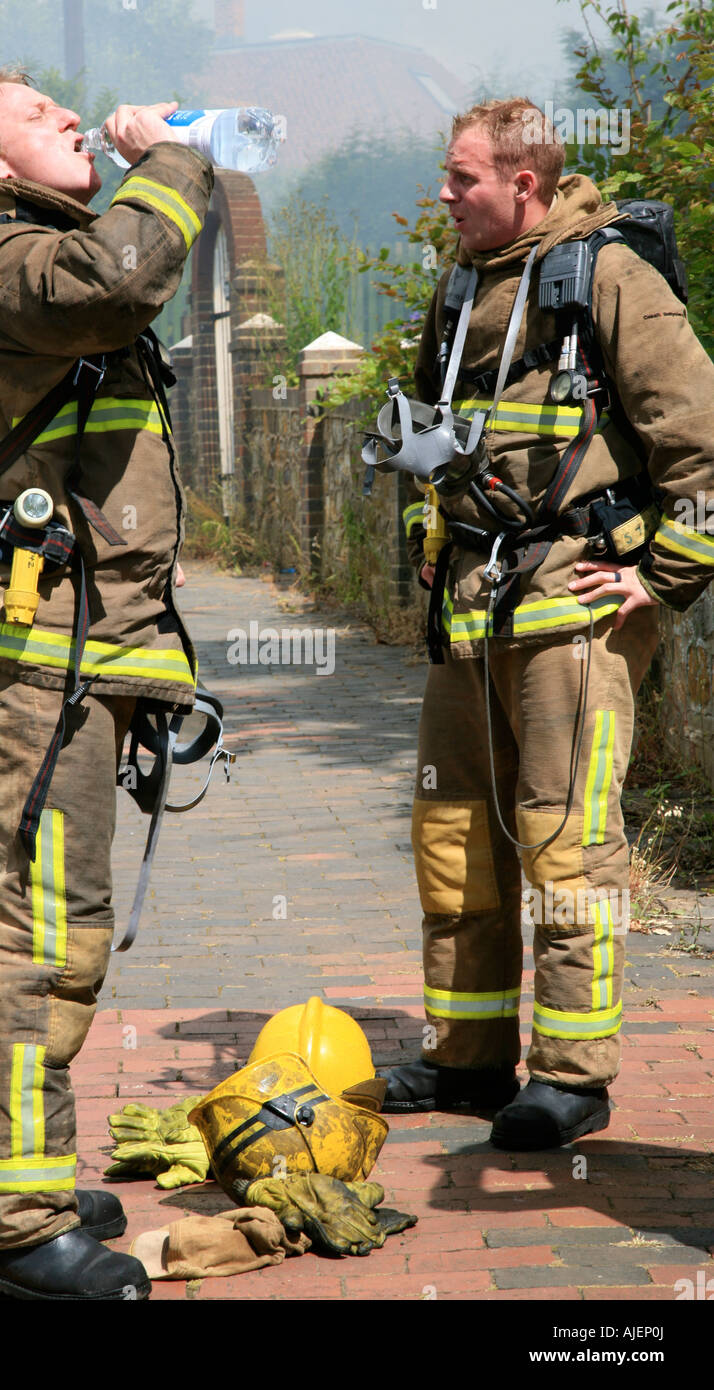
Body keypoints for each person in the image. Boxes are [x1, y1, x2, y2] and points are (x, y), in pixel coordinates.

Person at [0, 68, 213, 1299]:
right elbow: (124, 279)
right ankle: (14, 1226)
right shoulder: (5, 262)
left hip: (64, 658)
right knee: (34, 937)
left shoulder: (30, 252)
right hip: (31, 663)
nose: (76, 121)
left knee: (18, 930)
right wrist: (175, 160)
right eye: (39, 117)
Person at [378, 98, 714, 1148]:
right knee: (452, 844)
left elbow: (700, 444)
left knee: (564, 848)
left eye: (461, 177)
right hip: (469, 623)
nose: (443, 194)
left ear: (523, 182)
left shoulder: (608, 279)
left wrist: (659, 578)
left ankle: (571, 1075)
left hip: (573, 619)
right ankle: (468, 1059)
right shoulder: (458, 284)